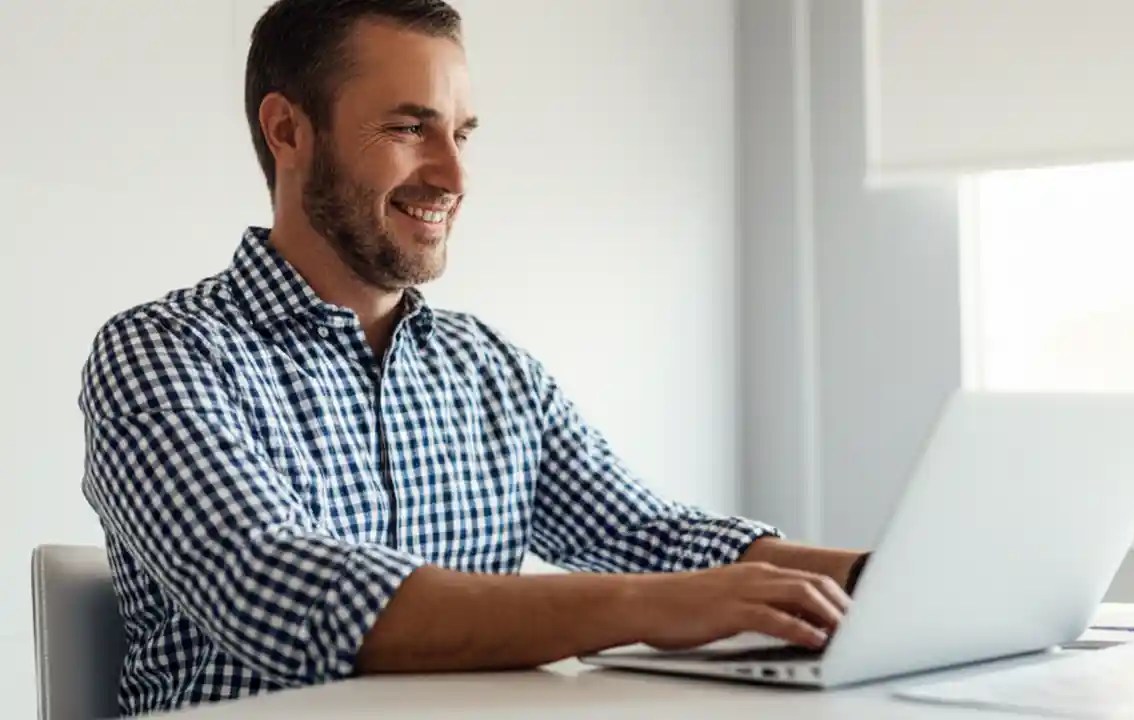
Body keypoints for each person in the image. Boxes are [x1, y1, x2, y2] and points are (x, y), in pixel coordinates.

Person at [78, 0, 868, 715]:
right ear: (288, 130)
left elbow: (655, 537)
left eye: (461, 134)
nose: (454, 176)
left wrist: (878, 582)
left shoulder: (489, 368)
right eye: (407, 128)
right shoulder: (163, 353)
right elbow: (285, 590)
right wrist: (652, 607)